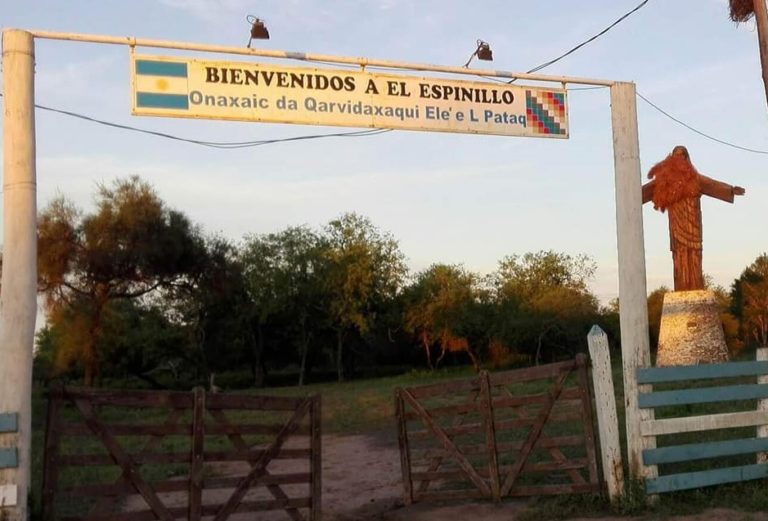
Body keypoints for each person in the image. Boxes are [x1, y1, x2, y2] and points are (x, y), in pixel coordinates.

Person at [642, 145, 745, 292]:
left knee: (695, 254)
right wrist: (629, 195)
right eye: (676, 156)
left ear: (687, 158)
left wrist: (731, 190)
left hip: (693, 222)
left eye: (682, 156)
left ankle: (696, 286)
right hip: (676, 224)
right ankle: (681, 288)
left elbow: (712, 185)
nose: (679, 159)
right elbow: (646, 190)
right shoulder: (666, 180)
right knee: (680, 255)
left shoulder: (695, 178)